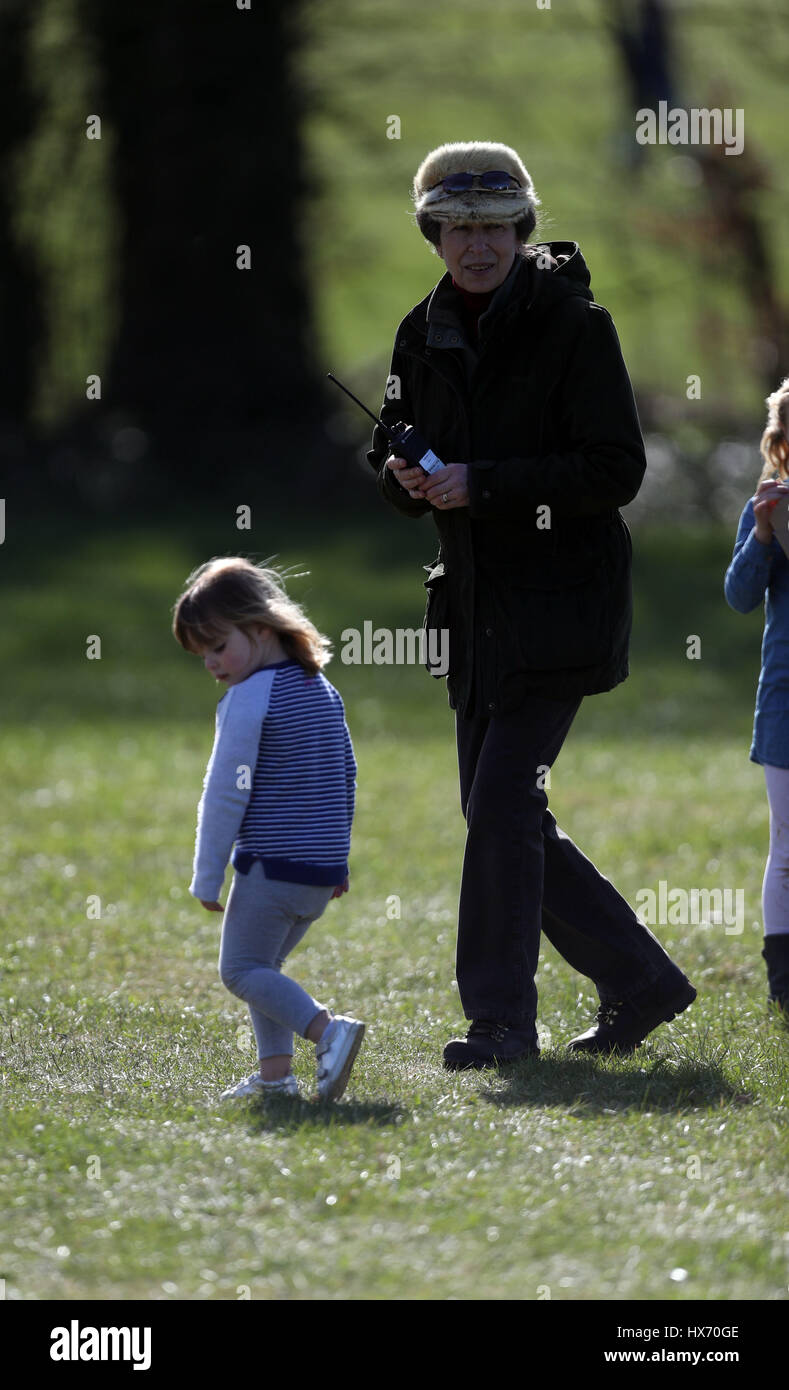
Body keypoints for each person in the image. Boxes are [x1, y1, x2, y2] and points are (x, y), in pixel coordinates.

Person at [367, 139, 696, 1069]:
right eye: (460, 227)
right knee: (498, 812)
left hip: (561, 611)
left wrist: (486, 483)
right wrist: (405, 478)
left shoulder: (576, 326)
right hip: (473, 613)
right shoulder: (417, 331)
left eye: (496, 225)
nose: (478, 244)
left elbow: (614, 470)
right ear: (434, 233)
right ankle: (639, 979)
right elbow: (399, 452)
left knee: (504, 805)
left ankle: (500, 1024)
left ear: (523, 228)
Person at [172, 557, 365, 1100]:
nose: (210, 663)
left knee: (241, 970)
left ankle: (330, 1034)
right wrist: (337, 860)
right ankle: (275, 1079)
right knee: (267, 967)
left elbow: (225, 793)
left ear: (259, 629)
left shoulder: (250, 698)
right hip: (317, 874)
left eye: (217, 646)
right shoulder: (320, 688)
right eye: (202, 653)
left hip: (271, 868)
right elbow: (343, 774)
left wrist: (206, 876)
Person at [724, 376, 789, 1023]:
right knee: (787, 845)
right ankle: (783, 979)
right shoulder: (764, 512)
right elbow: (739, 596)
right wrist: (763, 535)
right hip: (784, 704)